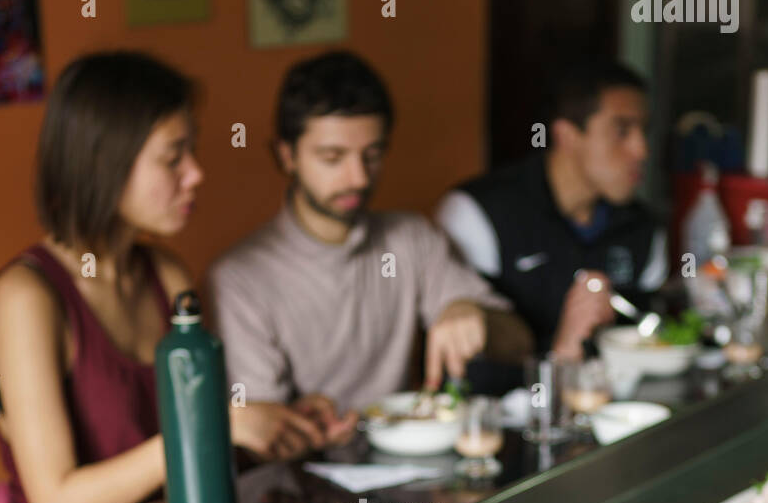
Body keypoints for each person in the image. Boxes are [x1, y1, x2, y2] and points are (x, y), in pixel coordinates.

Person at [0, 50, 341, 503]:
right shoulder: (26, 299)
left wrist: (278, 426)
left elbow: (192, 457)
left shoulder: (166, 274)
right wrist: (220, 423)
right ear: (103, 163)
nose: (196, 174)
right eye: (174, 158)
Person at [208, 51, 532, 413]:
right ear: (286, 155)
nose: (359, 178)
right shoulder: (241, 278)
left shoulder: (411, 237)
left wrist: (473, 314)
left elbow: (521, 343)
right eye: (333, 158)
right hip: (304, 468)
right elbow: (258, 432)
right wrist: (307, 426)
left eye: (372, 155)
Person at [436, 61, 668, 360]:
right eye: (622, 130)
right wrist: (560, 353)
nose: (641, 150)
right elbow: (467, 359)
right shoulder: (477, 213)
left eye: (644, 131)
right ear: (566, 135)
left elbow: (650, 344)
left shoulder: (644, 228)